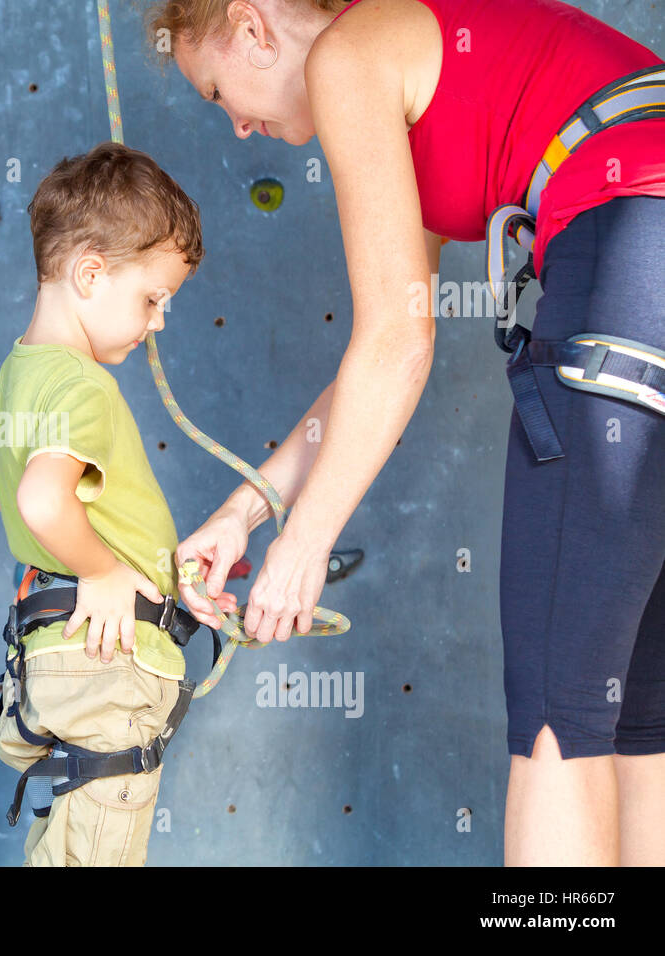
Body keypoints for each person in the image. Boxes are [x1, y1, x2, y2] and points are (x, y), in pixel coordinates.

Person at [146, 0, 665, 865]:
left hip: (630, 258)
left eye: (216, 91)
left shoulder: (348, 56)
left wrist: (304, 546)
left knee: (557, 723)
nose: (237, 125)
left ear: (253, 26)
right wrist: (248, 513)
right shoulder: (413, 58)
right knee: (637, 725)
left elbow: (398, 341)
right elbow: (378, 361)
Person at [0, 141, 214, 865]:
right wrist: (99, 572)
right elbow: (41, 501)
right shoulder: (82, 385)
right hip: (109, 659)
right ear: (91, 273)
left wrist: (76, 544)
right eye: (152, 298)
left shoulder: (21, 377)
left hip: (58, 659)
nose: (159, 320)